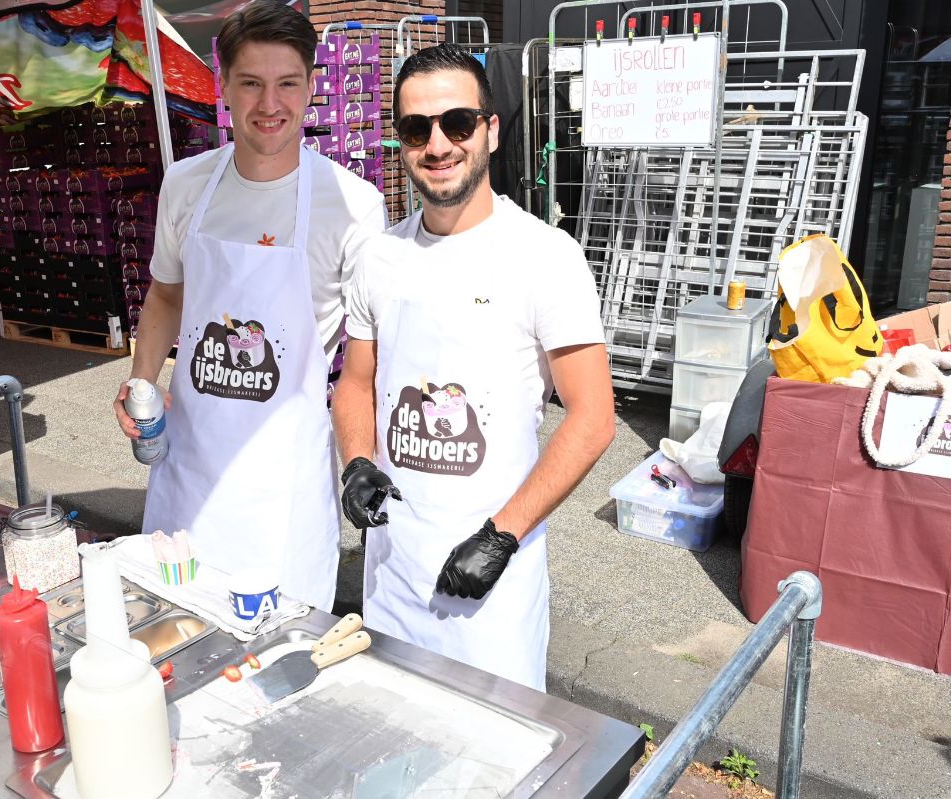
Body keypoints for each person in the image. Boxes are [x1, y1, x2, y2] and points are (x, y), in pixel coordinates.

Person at [331, 43, 615, 690]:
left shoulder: (545, 257)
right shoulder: (378, 258)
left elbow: (594, 419)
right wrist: (354, 462)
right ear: (400, 141)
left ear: (489, 128)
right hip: (392, 578)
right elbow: (355, 383)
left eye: (457, 123)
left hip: (494, 599)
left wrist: (503, 536)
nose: (438, 144)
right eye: (416, 128)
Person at [113, 0, 387, 610]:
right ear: (224, 87)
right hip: (190, 466)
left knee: (278, 656)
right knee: (179, 628)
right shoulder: (186, 185)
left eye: (288, 84)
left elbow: (368, 357)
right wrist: (140, 383)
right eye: (252, 84)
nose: (270, 105)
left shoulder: (353, 204)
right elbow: (165, 295)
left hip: (283, 488)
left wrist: (361, 458)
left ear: (311, 87)